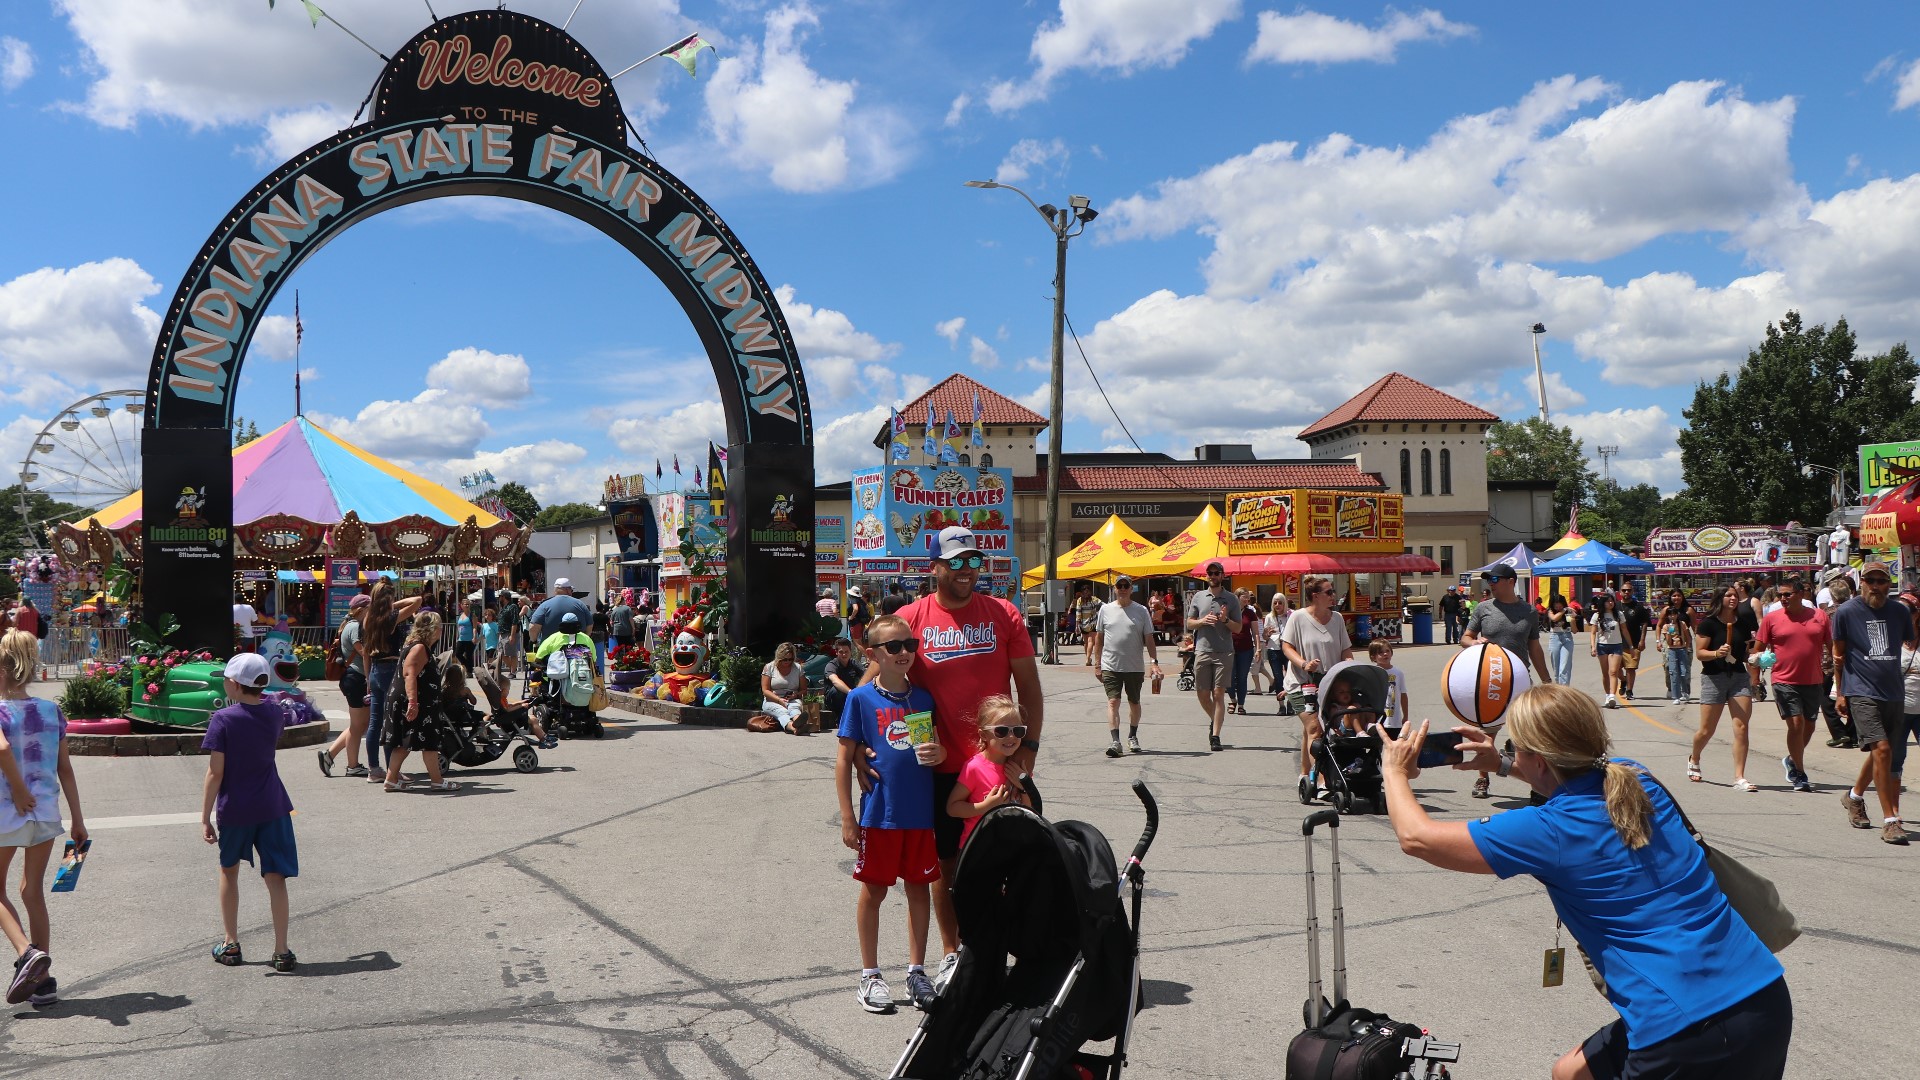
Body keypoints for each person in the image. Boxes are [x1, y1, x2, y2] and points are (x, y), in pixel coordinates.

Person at [1374, 686, 1792, 1080]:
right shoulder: (1635, 779)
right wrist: (1502, 764)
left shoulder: (1547, 829)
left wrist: (1394, 771)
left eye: (1515, 748)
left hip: (1683, 1029)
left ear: (1539, 759)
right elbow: (1569, 773)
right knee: (1570, 1072)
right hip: (1764, 998)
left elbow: (1417, 838)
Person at [896, 526, 1042, 993]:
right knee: (947, 865)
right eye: (955, 562)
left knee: (1012, 862)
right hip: (940, 769)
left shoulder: (1004, 613)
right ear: (934, 566)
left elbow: (1031, 691)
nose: (965, 571)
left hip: (999, 765)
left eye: (973, 562)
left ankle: (1007, 949)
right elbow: (893, 692)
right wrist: (916, 742)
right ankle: (952, 952)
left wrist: (1028, 750)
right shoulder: (911, 618)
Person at [835, 613, 944, 1014]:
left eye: (910, 645)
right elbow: (844, 758)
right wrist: (848, 816)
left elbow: (929, 748)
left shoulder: (922, 699)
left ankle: (916, 971)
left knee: (919, 889)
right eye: (893, 647)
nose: (904, 653)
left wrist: (940, 753)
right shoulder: (860, 699)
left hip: (920, 815)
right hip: (880, 815)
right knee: (875, 890)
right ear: (872, 653)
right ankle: (870, 974)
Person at [0, 629, 85, 1006]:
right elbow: (65, 769)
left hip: (8, 810)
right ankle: (44, 981)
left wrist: (18, 789)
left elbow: (2, 749)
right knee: (31, 890)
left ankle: (27, 953)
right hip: (48, 813)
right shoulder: (52, 711)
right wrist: (78, 820)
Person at [201, 653, 299, 973]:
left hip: (236, 808)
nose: (224, 682)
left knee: (228, 870)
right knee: (276, 877)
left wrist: (204, 816)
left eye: (226, 678)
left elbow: (216, 773)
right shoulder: (274, 713)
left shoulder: (224, 719)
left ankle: (231, 943)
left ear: (235, 683)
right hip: (272, 805)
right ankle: (281, 950)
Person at [1832, 562, 1912, 844]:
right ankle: (1891, 820)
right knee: (1883, 749)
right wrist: (1840, 693)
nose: (1876, 586)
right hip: (1861, 691)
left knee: (1880, 753)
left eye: (1882, 581)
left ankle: (1853, 797)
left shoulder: (1899, 612)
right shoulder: (1846, 612)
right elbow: (1838, 656)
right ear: (1861, 582)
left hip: (1894, 693)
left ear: (1889, 585)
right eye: (1870, 580)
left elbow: (1906, 647)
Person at [1460, 563, 1552, 797]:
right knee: (1487, 733)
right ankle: (1483, 779)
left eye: (1495, 580)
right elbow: (1466, 638)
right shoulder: (1483, 608)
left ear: (1511, 582)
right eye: (1489, 580)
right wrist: (1474, 642)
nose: (1490, 584)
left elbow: (1534, 647)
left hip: (1521, 679)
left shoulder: (1529, 611)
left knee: (1529, 732)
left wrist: (1547, 680)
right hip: (1492, 679)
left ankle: (1536, 786)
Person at [1282, 574, 1353, 797]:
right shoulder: (1298, 618)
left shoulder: (1338, 619)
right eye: (1329, 592)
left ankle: (1305, 773)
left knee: (1310, 731)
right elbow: (1287, 646)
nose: (1334, 596)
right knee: (1315, 728)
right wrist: (1303, 664)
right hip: (1302, 684)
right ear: (1315, 596)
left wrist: (1350, 663)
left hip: (1329, 683)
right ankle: (1322, 780)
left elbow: (1345, 649)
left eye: (1333, 592)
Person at [1755, 574, 1826, 794]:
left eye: (1788, 594)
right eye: (1780, 595)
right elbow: (1758, 649)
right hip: (1784, 680)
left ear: (1801, 594)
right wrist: (1755, 678)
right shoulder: (1772, 619)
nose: (1783, 598)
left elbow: (1833, 645)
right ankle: (1800, 773)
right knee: (1795, 724)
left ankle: (1791, 760)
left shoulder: (1820, 616)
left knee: (1809, 726)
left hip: (1813, 680)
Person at [1688, 586, 1758, 791]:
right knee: (1707, 730)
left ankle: (1739, 777)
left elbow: (1745, 652)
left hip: (1738, 678)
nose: (1733, 598)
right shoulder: (1708, 624)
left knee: (1742, 727)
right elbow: (1700, 653)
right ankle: (1695, 757)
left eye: (1735, 595)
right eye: (1728, 595)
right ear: (1720, 598)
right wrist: (1717, 653)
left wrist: (1753, 658)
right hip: (1714, 678)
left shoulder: (1743, 624)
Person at [383, 612, 460, 794]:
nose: (442, 630)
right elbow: (409, 674)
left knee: (404, 742)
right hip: (416, 702)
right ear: (431, 629)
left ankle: (391, 779)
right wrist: (413, 703)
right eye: (439, 626)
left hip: (411, 700)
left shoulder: (415, 645)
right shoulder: (419, 648)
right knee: (428, 742)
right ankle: (437, 781)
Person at [945, 695, 1033, 848]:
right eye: (1001, 731)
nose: (1011, 736)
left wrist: (1023, 787)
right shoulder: (975, 767)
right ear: (983, 735)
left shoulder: (1018, 767)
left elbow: (1030, 811)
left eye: (1018, 730)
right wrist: (985, 807)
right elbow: (952, 808)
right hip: (978, 849)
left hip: (1012, 846)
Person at [359, 580, 424, 784]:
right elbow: (417, 600)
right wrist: (393, 606)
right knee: (391, 722)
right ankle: (391, 771)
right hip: (390, 669)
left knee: (375, 722)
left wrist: (368, 678)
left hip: (375, 670)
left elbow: (366, 654)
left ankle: (374, 769)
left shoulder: (367, 619)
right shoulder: (390, 618)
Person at [1096, 576, 1160, 757]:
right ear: (1114, 589)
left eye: (1126, 586)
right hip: (1110, 665)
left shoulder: (1141, 611)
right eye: (1119, 586)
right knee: (1113, 701)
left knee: (1134, 702)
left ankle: (1132, 736)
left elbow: (1149, 638)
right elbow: (1099, 638)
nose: (1123, 589)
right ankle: (1115, 741)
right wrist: (1097, 664)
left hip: (1134, 666)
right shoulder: (1105, 610)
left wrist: (1154, 663)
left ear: (1132, 589)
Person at [1186, 562, 1243, 752]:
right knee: (1202, 694)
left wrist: (1225, 620)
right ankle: (1215, 719)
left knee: (1218, 694)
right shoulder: (1199, 596)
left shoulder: (1231, 599)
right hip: (1202, 650)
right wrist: (1202, 621)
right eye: (1210, 573)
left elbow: (1238, 628)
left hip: (1224, 652)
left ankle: (1216, 736)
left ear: (1222, 575)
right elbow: (1189, 623)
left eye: (1216, 573)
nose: (1212, 576)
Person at [318, 593, 373, 778]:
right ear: (363, 609)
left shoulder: (350, 625)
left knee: (358, 725)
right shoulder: (355, 627)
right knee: (359, 726)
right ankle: (352, 765)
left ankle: (330, 755)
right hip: (356, 678)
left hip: (353, 678)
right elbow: (363, 651)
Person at [1816, 572, 1857, 747]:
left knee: (1824, 698)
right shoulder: (1857, 612)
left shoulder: (1825, 614)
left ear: (1832, 595)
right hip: (1853, 660)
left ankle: (1839, 732)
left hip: (1829, 661)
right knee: (1853, 696)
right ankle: (1852, 733)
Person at [760, 642, 810, 734]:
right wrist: (779, 700)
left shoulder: (797, 668)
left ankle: (798, 721)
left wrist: (796, 695)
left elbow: (804, 690)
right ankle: (794, 727)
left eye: (790, 659)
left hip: (792, 699)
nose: (787, 662)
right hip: (772, 699)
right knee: (782, 711)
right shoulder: (769, 667)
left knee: (794, 707)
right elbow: (765, 690)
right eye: (784, 659)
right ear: (779, 657)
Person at [1588, 593, 1627, 709]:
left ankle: (1612, 696)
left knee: (1613, 672)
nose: (1610, 603)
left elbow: (1624, 630)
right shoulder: (1597, 615)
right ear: (1603, 603)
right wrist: (1593, 647)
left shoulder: (1618, 614)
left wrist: (1630, 646)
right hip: (1602, 646)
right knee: (1605, 673)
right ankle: (1607, 694)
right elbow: (1593, 632)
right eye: (1607, 601)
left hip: (1616, 645)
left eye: (1612, 601)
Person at [528, 578, 591, 646]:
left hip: (550, 650)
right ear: (567, 590)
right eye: (571, 590)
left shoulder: (544, 606)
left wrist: (534, 641)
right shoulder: (581, 605)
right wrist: (583, 640)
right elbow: (590, 625)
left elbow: (533, 627)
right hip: (576, 650)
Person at [1657, 599, 1694, 706]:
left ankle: (1685, 692)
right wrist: (1670, 631)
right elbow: (1669, 642)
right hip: (1672, 650)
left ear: (1677, 615)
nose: (1672, 617)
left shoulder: (1682, 624)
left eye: (1674, 614)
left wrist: (1686, 647)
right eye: (1670, 615)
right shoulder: (1666, 626)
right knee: (1673, 672)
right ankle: (1676, 696)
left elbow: (1688, 637)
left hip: (1682, 650)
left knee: (1683, 672)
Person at [1368, 640, 1409, 732]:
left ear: (1391, 653)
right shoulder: (1372, 673)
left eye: (1387, 651)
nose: (1385, 654)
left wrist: (1405, 716)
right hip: (1378, 721)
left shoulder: (1398, 673)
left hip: (1395, 721)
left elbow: (1403, 695)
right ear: (1373, 657)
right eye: (1380, 652)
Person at [1228, 589, 1258, 714]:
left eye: (1248, 597)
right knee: (1229, 677)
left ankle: (1241, 704)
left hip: (1246, 649)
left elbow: (1255, 632)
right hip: (1229, 649)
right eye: (1244, 597)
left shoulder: (1250, 613)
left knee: (1242, 677)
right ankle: (1232, 700)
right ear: (1237, 597)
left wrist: (1259, 649)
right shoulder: (1229, 611)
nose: (1247, 599)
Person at [1619, 590, 1651, 701]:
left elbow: (1645, 623)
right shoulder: (1615, 606)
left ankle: (1629, 690)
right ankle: (1623, 680)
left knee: (1630, 668)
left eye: (1628, 590)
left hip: (1633, 642)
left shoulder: (1638, 607)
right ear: (1620, 592)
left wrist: (1642, 640)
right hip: (1616, 642)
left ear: (1632, 592)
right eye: (1624, 590)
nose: (1626, 592)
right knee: (1615, 669)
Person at [823, 638, 865, 721]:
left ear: (850, 652)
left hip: (849, 696)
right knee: (837, 690)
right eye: (841, 652)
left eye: (846, 652)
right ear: (836, 652)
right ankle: (840, 718)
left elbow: (866, 676)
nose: (844, 655)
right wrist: (851, 692)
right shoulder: (831, 665)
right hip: (833, 700)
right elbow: (835, 681)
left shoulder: (854, 663)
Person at [1543, 594, 1577, 685]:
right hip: (1554, 637)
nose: (1558, 606)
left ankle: (1564, 688)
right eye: (1555, 605)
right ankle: (1558, 686)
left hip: (1567, 637)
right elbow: (1554, 618)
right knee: (1556, 666)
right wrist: (1564, 610)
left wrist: (1573, 620)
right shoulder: (1550, 611)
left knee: (1565, 666)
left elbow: (1574, 631)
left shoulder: (1568, 611)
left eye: (1560, 604)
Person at [1073, 582, 1102, 667]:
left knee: (1086, 642)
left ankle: (1087, 658)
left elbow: (1078, 613)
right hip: (1092, 623)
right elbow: (1103, 605)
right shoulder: (1093, 599)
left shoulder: (1079, 600)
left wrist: (1077, 625)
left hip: (1082, 624)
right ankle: (1088, 658)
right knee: (1090, 642)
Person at [497, 592, 524, 680]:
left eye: (500, 597)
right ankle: (513, 668)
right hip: (503, 633)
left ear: (504, 597)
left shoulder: (512, 607)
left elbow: (514, 621)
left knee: (512, 653)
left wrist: (512, 635)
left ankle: (512, 671)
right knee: (502, 654)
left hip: (510, 633)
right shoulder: (503, 607)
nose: (499, 598)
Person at [480, 607, 501, 674]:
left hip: (493, 645)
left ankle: (491, 670)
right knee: (489, 658)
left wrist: (499, 643)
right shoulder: (484, 625)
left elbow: (498, 634)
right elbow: (483, 635)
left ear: (492, 616)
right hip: (487, 645)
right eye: (486, 615)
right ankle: (493, 669)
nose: (487, 616)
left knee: (490, 658)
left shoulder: (494, 625)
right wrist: (477, 640)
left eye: (489, 615)